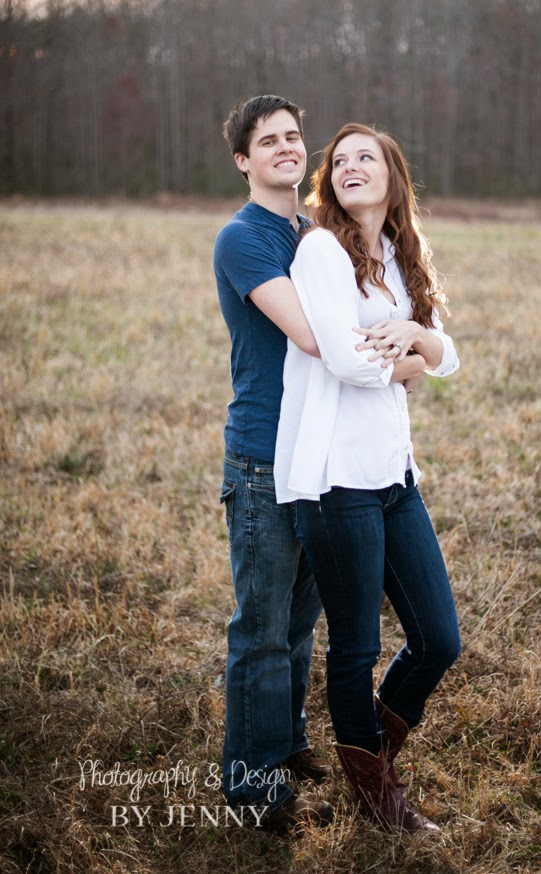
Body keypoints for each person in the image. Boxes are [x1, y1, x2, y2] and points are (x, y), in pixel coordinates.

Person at [274, 122, 462, 834]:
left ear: (392, 177)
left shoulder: (400, 254)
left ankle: (370, 757)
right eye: (340, 159)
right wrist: (411, 359)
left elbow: (450, 355)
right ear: (329, 180)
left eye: (367, 157)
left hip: (393, 475)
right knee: (355, 647)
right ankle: (379, 797)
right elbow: (348, 362)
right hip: (335, 481)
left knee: (439, 639)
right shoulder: (322, 250)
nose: (351, 166)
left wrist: (416, 338)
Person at [213, 94, 334, 831]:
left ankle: (285, 742)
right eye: (269, 141)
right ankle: (252, 789)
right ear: (243, 160)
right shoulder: (242, 238)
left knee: (299, 619)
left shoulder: (314, 232)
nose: (287, 147)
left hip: (317, 452)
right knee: (260, 627)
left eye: (294, 136)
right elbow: (313, 331)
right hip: (263, 454)